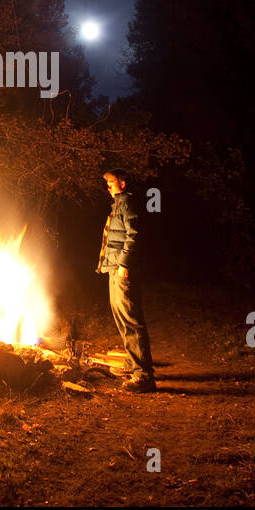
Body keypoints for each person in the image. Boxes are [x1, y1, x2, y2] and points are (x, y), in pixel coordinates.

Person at [97, 168, 156, 392]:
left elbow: (135, 234)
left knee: (131, 319)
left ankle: (144, 376)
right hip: (113, 267)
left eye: (112, 181)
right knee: (121, 317)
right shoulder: (118, 205)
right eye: (108, 182)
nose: (108, 186)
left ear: (123, 183)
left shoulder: (128, 204)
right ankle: (133, 364)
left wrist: (124, 263)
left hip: (122, 269)